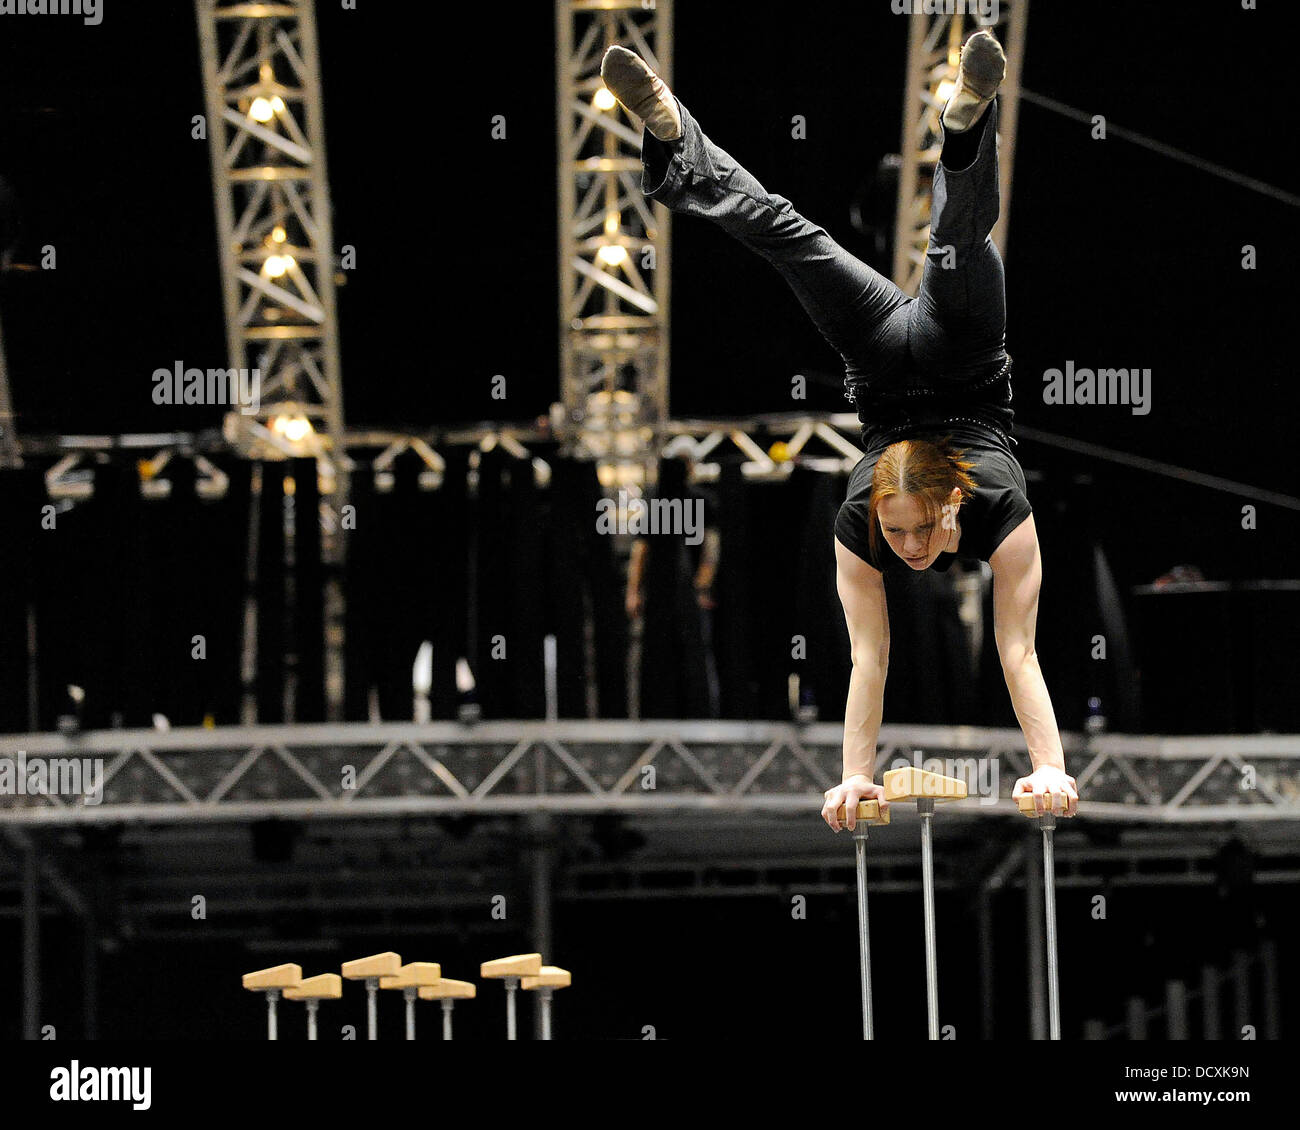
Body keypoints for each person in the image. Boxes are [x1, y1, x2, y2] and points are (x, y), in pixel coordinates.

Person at [600, 31, 1078, 827]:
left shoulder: (860, 518)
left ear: (950, 507)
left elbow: (963, 653)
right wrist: (1043, 767)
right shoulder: (999, 514)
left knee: (795, 245)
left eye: (916, 536)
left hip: (886, 368)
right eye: (899, 535)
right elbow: (890, 655)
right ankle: (686, 137)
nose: (906, 550)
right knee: (954, 246)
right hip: (966, 361)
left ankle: (688, 138)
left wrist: (1043, 768)